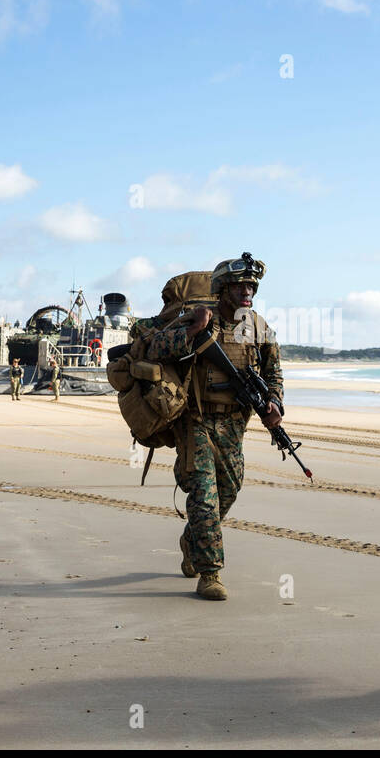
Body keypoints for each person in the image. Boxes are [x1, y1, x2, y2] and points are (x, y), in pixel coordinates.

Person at [147, 253, 283, 600]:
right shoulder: (198, 317)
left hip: (235, 425)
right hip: (196, 421)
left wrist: (275, 403)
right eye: (240, 285)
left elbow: (273, 372)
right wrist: (194, 330)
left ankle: (193, 539)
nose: (247, 291)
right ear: (223, 289)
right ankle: (210, 574)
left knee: (229, 491)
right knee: (204, 498)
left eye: (251, 286)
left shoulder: (258, 327)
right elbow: (156, 347)